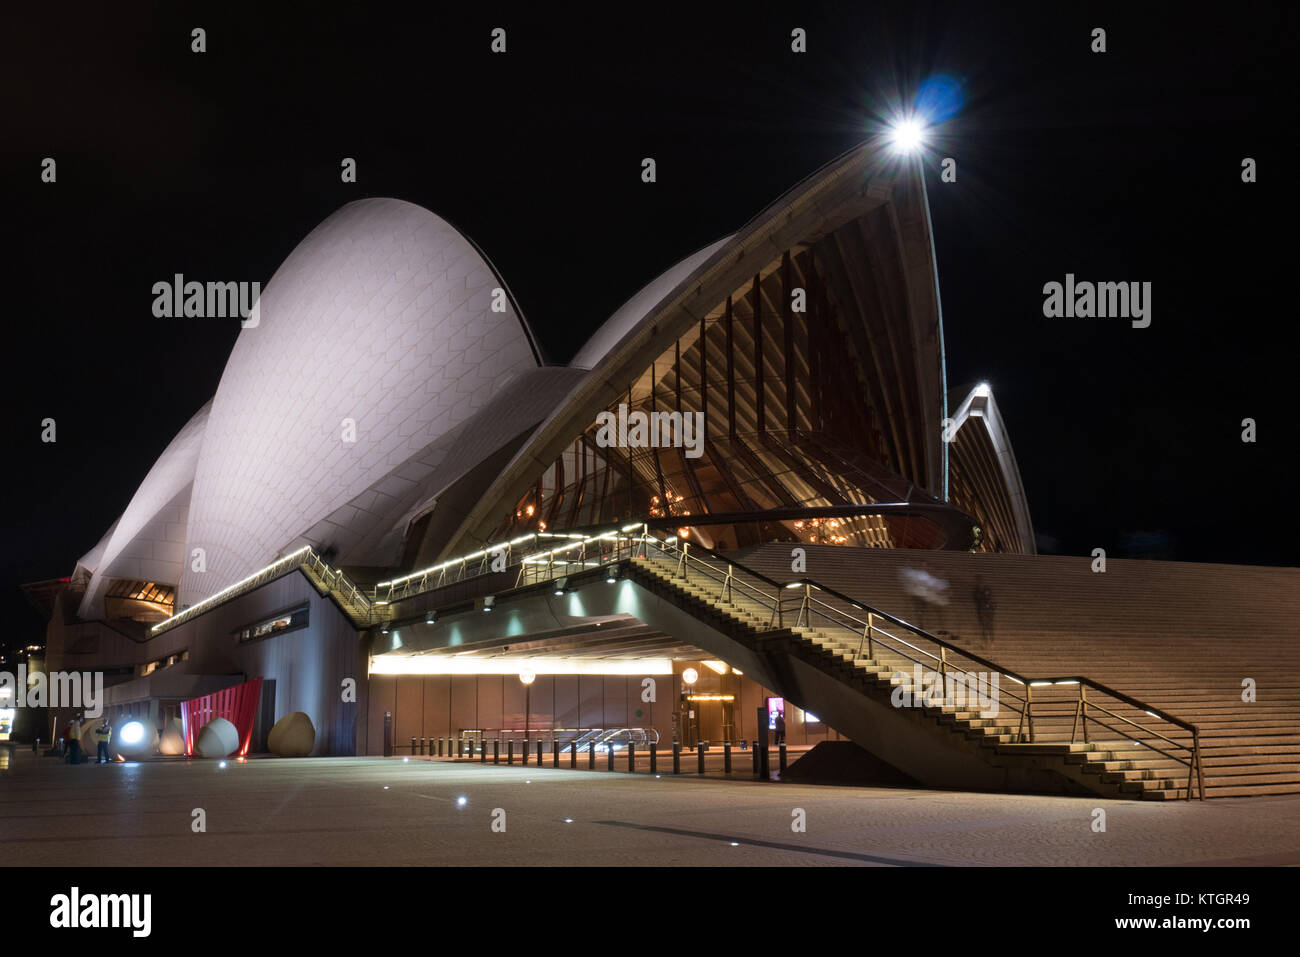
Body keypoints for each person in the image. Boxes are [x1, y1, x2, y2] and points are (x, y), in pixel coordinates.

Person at [973, 576, 996, 647]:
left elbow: (989, 597)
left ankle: (992, 641)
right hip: (981, 609)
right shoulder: (977, 590)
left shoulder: (987, 589)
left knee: (990, 626)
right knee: (984, 626)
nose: (981, 583)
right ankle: (986, 641)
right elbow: (977, 598)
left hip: (988, 609)